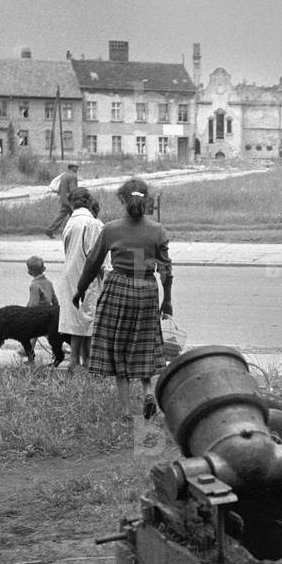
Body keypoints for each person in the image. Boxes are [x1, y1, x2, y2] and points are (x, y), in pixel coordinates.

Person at [73, 178, 172, 421]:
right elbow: (166, 270)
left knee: (119, 347)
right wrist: (167, 300)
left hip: (118, 289)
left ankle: (126, 412)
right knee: (144, 344)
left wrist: (80, 289)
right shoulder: (157, 230)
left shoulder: (111, 229)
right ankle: (148, 392)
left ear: (122, 199)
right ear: (146, 200)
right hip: (146, 290)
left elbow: (93, 262)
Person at [57, 188, 104, 374]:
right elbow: (95, 255)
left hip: (71, 273)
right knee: (86, 319)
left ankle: (83, 361)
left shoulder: (71, 222)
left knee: (80, 320)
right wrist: (106, 274)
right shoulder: (91, 223)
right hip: (86, 275)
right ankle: (77, 361)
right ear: (88, 202)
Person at [45, 162, 80, 239]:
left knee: (72, 216)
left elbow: (60, 188)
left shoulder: (64, 175)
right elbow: (73, 189)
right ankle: (50, 230)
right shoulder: (72, 176)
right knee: (75, 215)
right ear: (71, 167)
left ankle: (73, 231)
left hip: (63, 198)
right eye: (76, 167)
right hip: (70, 200)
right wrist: (78, 197)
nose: (77, 168)